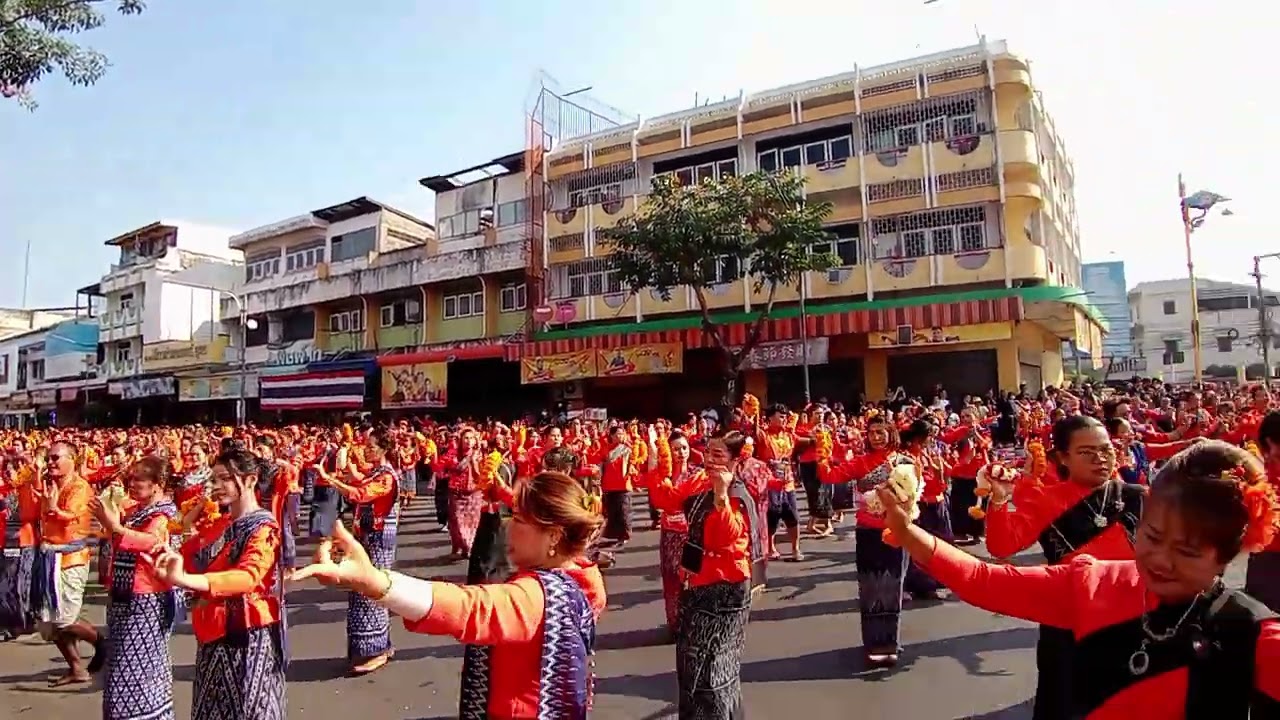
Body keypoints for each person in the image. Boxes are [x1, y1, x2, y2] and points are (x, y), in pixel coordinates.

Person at [881, 439, 1280, 718]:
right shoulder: (1093, 583)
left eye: (1188, 551)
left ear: (1228, 556)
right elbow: (986, 578)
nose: (1160, 560)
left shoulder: (1250, 632)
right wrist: (908, 533)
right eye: (1152, 536)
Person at [292, 470, 605, 719]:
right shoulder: (583, 579)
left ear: (554, 535)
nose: (508, 527)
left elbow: (467, 608)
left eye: (520, 520)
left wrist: (374, 582)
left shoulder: (537, 596)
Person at [984, 415, 1143, 720]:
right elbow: (1002, 546)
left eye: (1106, 450)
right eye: (1087, 452)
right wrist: (1000, 500)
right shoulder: (1047, 500)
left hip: (1132, 618)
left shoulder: (1137, 497)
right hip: (1068, 621)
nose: (1100, 459)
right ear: (1063, 458)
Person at [144, 449, 286, 720]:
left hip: (246, 635)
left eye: (224, 479)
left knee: (250, 709)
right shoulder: (223, 522)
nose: (215, 487)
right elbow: (189, 551)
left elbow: (247, 576)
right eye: (213, 479)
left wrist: (185, 579)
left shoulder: (263, 528)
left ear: (250, 480)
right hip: (213, 630)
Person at [649, 431, 762, 718]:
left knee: (715, 670)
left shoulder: (737, 491)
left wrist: (721, 494)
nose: (709, 460)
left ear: (736, 460)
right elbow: (667, 500)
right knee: (692, 666)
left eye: (719, 455)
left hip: (726, 586)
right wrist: (656, 457)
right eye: (708, 452)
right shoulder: (697, 481)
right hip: (698, 583)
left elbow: (728, 537)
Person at [91, 455, 179, 720]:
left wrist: (114, 526)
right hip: (125, 598)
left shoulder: (163, 513)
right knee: (120, 669)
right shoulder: (139, 510)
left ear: (157, 484)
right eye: (131, 477)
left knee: (134, 673)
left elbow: (151, 541)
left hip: (146, 602)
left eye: (139, 478)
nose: (132, 483)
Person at [323, 427, 399, 674]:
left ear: (384, 449)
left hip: (377, 542)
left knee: (372, 593)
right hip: (366, 538)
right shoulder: (376, 471)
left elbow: (360, 494)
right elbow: (357, 480)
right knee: (361, 593)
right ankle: (370, 648)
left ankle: (377, 650)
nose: (367, 449)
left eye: (372, 446)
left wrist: (331, 479)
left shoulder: (387, 476)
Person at [37, 441, 101, 686]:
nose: (50, 462)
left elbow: (69, 517)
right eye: (49, 458)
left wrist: (53, 506)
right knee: (49, 621)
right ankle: (77, 667)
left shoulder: (80, 487)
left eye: (56, 458)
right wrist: (34, 476)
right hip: (48, 558)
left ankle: (101, 642)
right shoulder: (48, 483)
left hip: (71, 558)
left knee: (64, 618)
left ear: (72, 460)